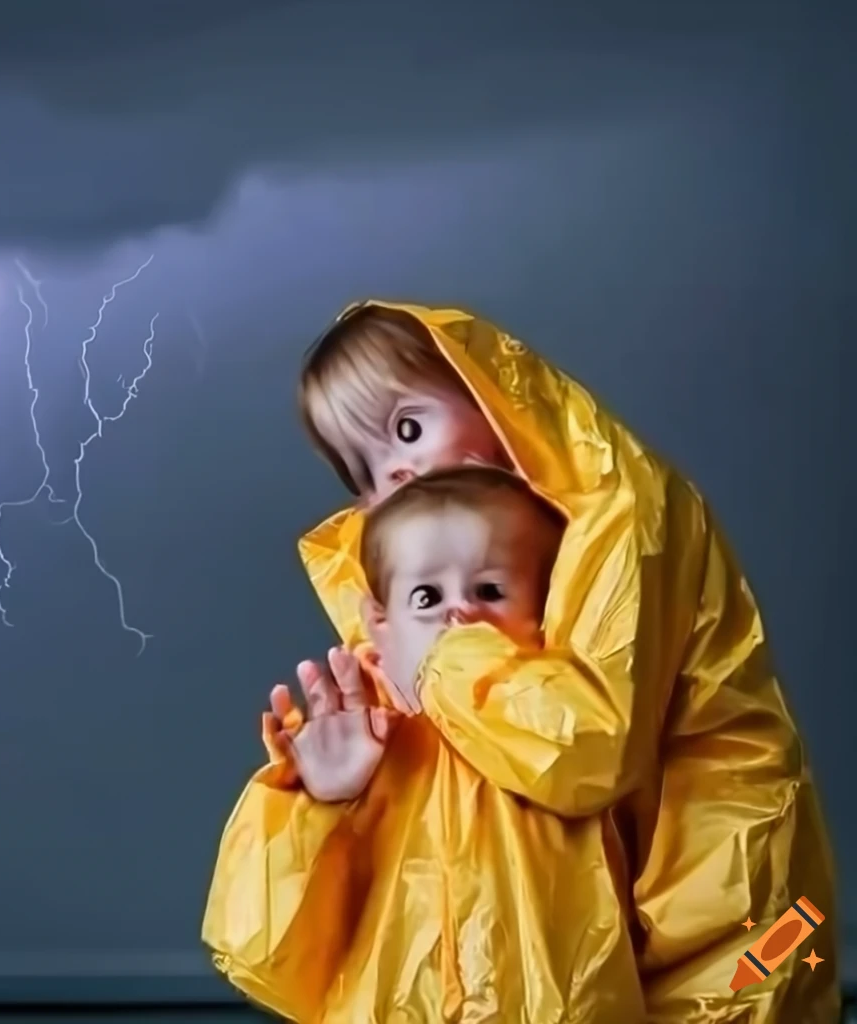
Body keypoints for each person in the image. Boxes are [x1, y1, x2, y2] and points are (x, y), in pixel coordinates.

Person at [203, 301, 839, 1023]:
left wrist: (439, 656)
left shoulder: (621, 513)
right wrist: (321, 795)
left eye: (407, 428)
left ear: (485, 387)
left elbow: (587, 748)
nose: (401, 470)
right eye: (369, 470)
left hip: (717, 875)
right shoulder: (434, 575)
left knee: (744, 994)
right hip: (592, 916)